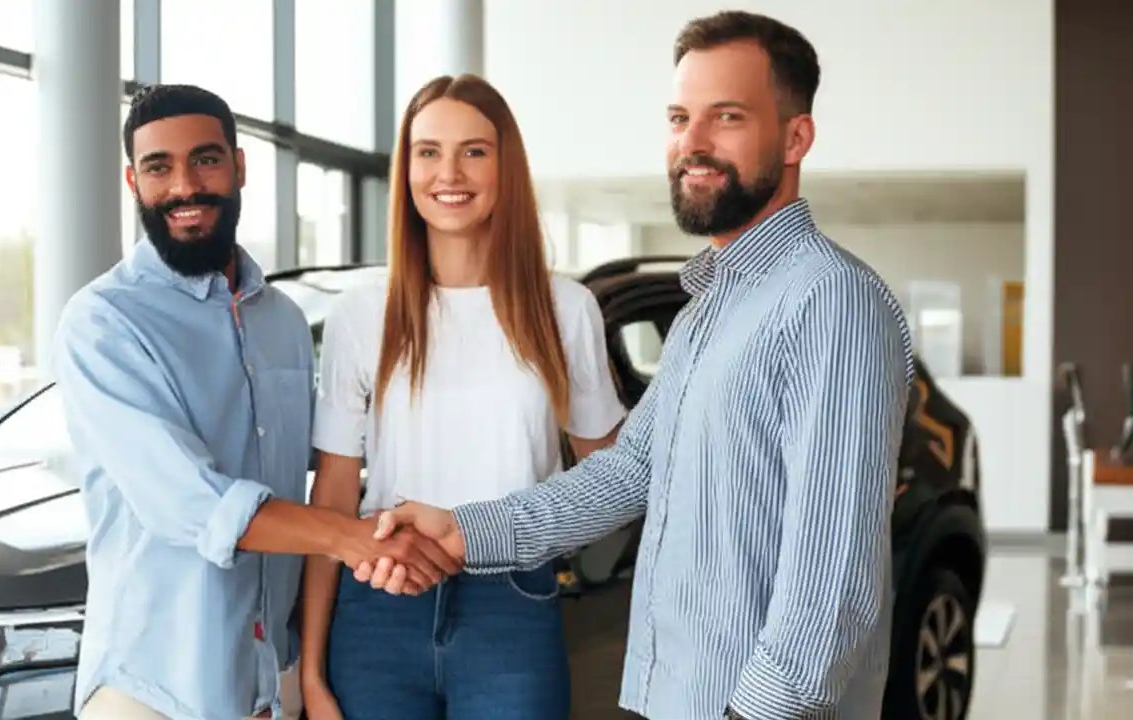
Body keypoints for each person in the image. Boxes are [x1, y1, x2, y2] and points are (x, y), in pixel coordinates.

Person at [364, 11, 915, 720]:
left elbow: (832, 577)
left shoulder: (830, 301)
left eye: (727, 117)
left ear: (795, 137)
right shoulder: (705, 314)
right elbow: (628, 472)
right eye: (680, 118)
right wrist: (462, 530)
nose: (693, 142)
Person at [52, 84, 459, 720]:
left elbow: (330, 461)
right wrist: (357, 540)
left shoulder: (284, 321)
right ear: (134, 181)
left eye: (205, 159)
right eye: (159, 167)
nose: (185, 186)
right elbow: (190, 502)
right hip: (154, 689)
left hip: (273, 681)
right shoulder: (104, 321)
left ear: (239, 167)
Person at [299, 74, 627, 720]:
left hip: (513, 608)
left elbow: (611, 480)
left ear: (507, 166)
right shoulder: (361, 314)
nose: (449, 173)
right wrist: (312, 669)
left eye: (474, 151)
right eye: (428, 152)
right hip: (377, 604)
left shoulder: (565, 309)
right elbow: (332, 500)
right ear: (407, 169)